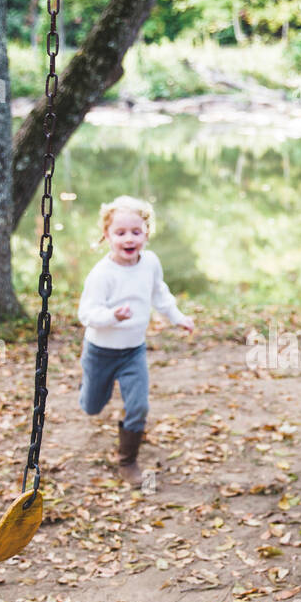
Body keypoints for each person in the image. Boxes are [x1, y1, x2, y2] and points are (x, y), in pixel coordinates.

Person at [77, 195, 194, 484]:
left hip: (133, 352)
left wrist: (178, 317)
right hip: (100, 351)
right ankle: (90, 384)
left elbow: (159, 294)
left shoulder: (150, 263)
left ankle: (128, 461)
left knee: (139, 405)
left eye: (136, 232)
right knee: (92, 407)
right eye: (120, 233)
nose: (129, 239)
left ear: (146, 234)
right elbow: (87, 314)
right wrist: (112, 316)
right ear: (107, 236)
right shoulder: (102, 274)